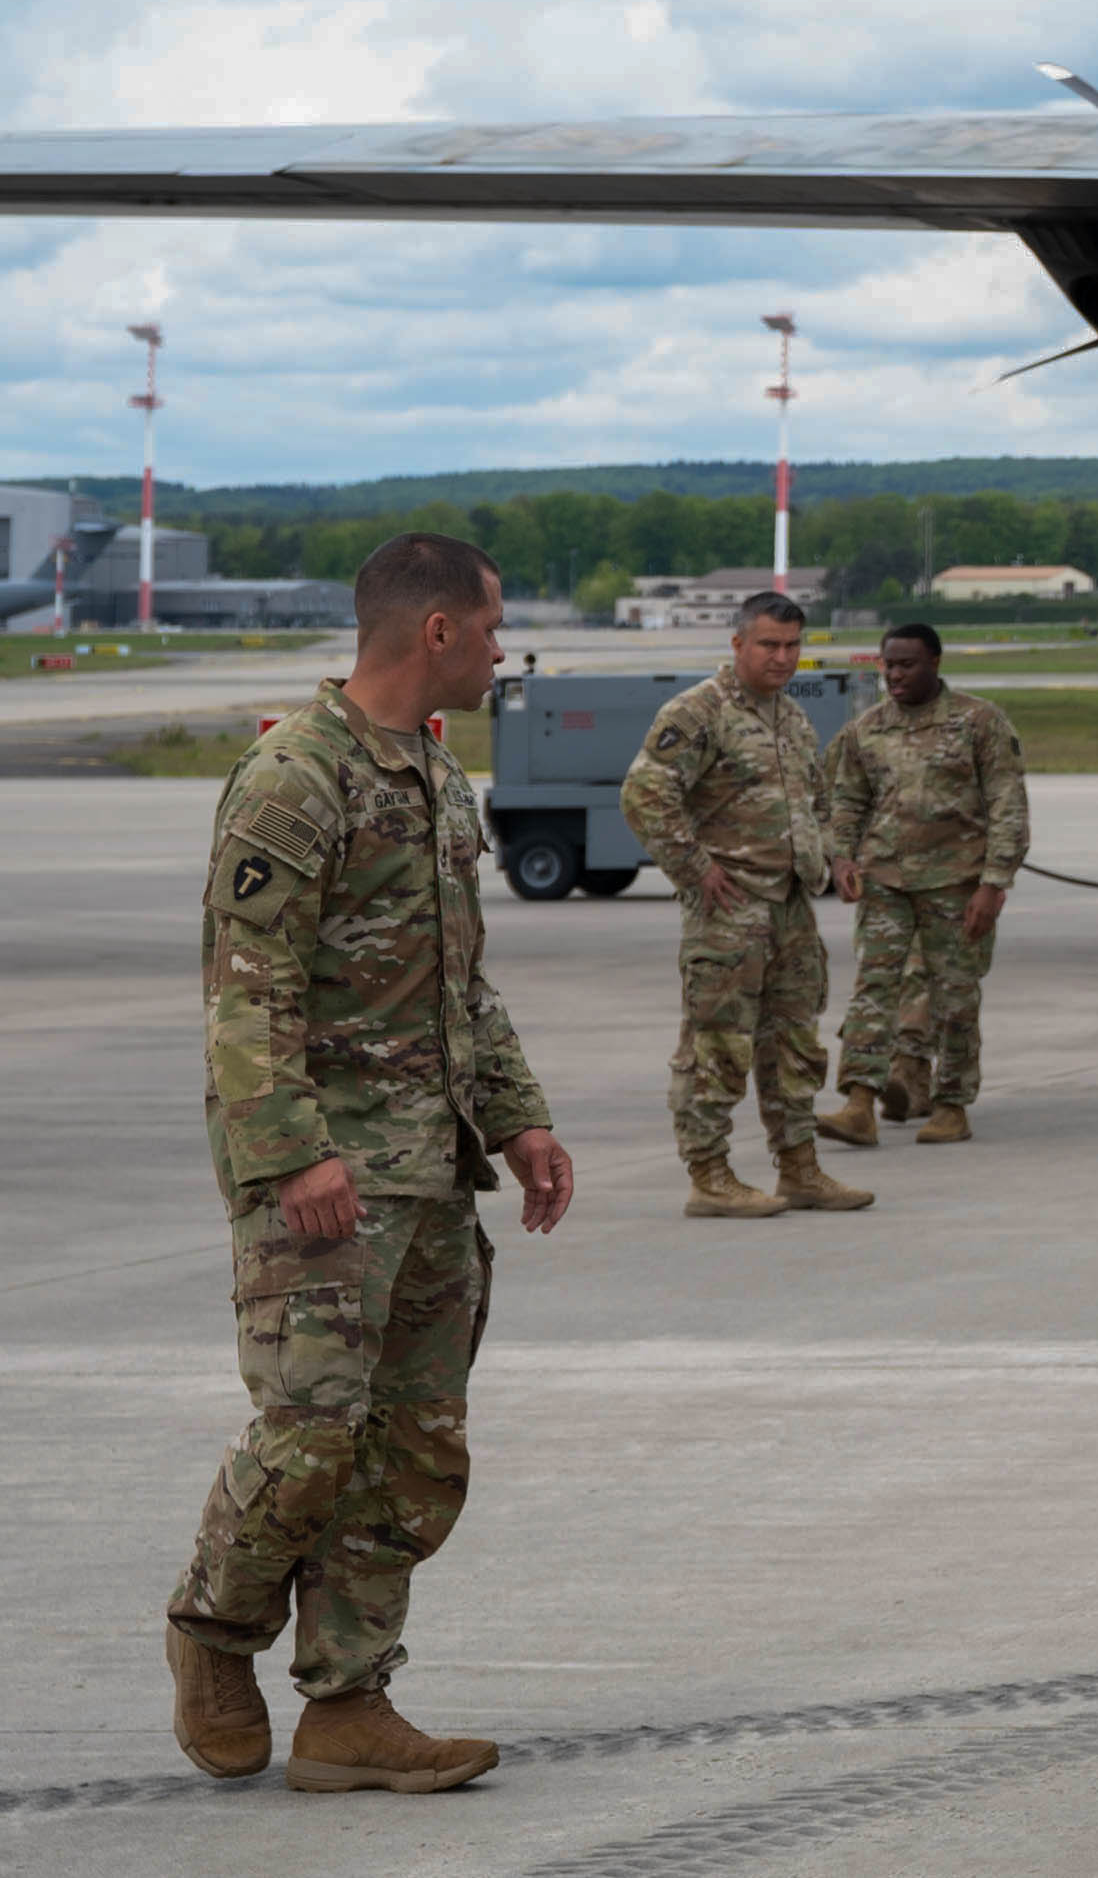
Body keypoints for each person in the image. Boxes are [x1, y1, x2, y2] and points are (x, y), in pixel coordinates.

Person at [170, 530, 575, 1794]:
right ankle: (213, 1631)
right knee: (307, 1439)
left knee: (412, 1447)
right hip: (327, 1178)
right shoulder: (295, 776)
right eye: (495, 625)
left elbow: (460, 981)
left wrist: (519, 1118)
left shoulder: (436, 780)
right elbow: (247, 985)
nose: (505, 648)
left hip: (428, 1173)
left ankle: (348, 1705)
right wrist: (292, 1155)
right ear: (436, 630)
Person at [619, 594, 874, 1221]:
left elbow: (815, 805)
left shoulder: (791, 719)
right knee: (717, 1046)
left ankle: (799, 1168)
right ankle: (710, 1176)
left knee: (794, 1046)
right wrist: (694, 868)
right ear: (738, 645)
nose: (782, 657)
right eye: (768, 645)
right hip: (729, 913)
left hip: (790, 908)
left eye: (792, 646)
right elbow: (645, 794)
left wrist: (835, 858)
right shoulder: (701, 712)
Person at [815, 623, 1027, 1145]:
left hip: (956, 883)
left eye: (906, 664)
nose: (893, 674)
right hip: (885, 881)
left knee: (954, 996)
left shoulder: (978, 722)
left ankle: (951, 1104)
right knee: (872, 991)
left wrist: (993, 883)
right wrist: (841, 858)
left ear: (935, 661)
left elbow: (1007, 804)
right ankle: (859, 1103)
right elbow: (846, 801)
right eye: (887, 665)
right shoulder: (867, 729)